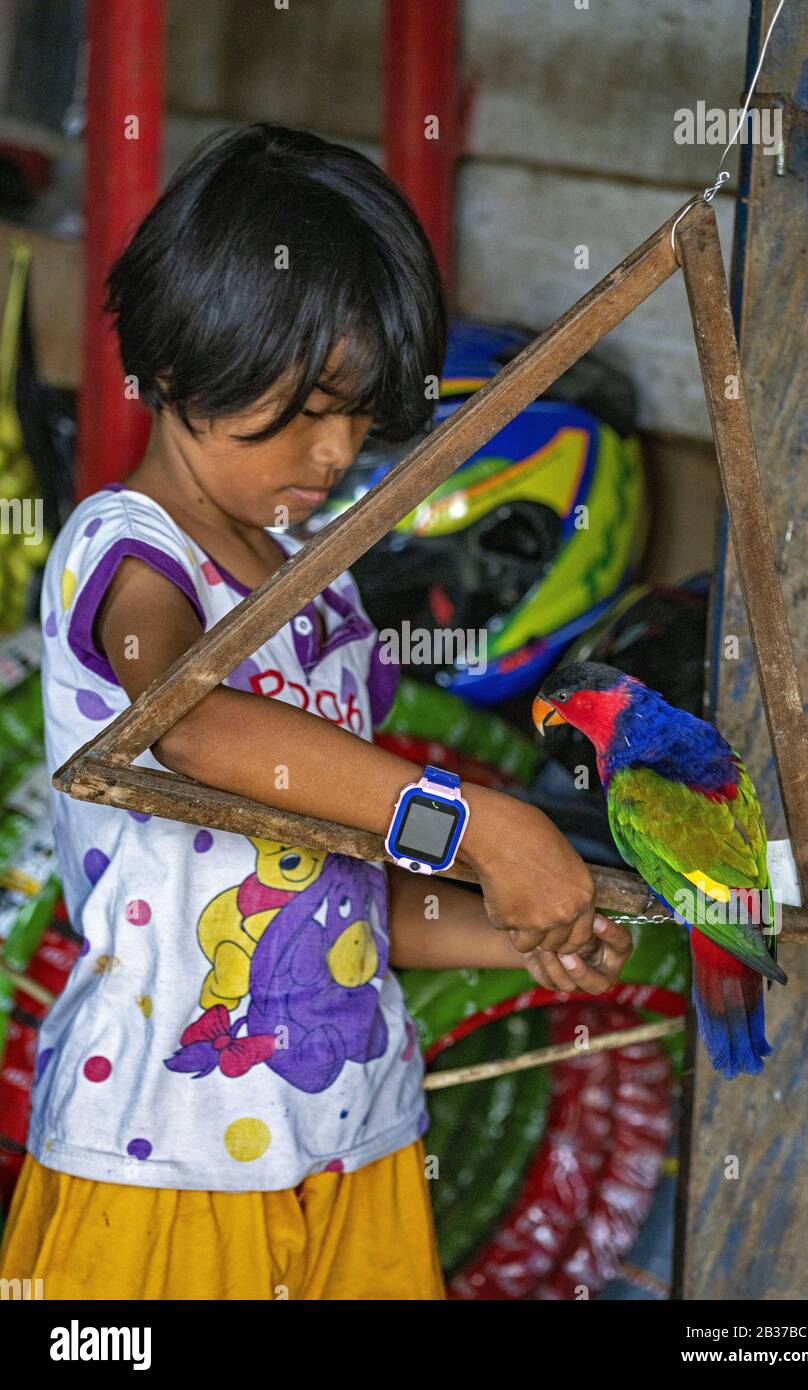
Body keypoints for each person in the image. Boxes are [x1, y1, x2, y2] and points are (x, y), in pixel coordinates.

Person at [0, 124, 632, 1301]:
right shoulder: (131, 557)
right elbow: (189, 726)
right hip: (157, 1161)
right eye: (304, 408)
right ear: (186, 362)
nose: (338, 450)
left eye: (362, 415)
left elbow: (339, 885)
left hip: (360, 1143)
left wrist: (517, 921)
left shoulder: (319, 586)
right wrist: (484, 824)